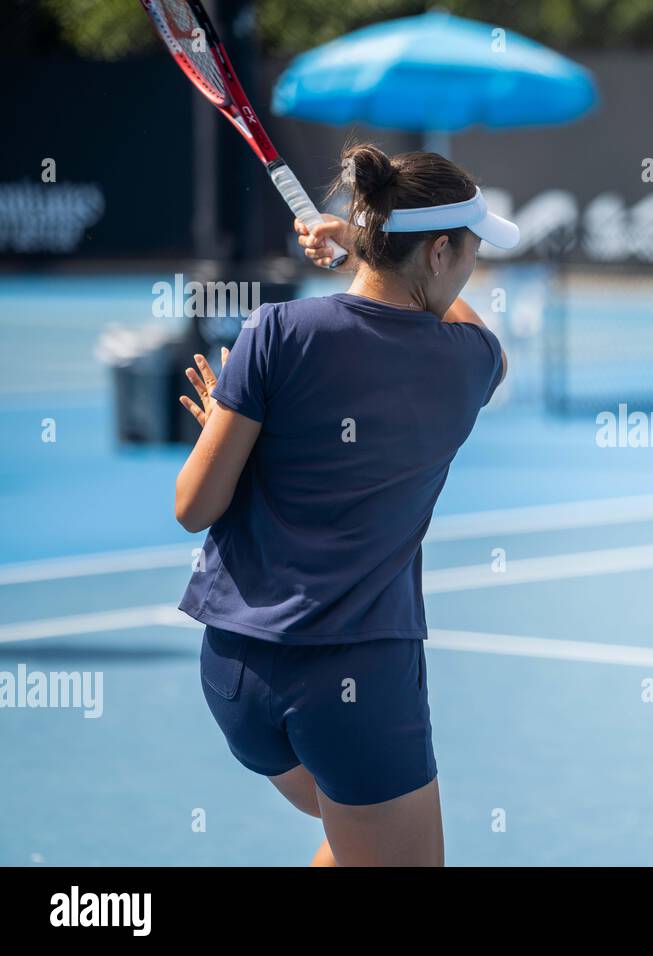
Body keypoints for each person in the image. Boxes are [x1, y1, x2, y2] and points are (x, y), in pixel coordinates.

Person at [174, 144, 519, 866]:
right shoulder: (470, 363)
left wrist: (230, 443)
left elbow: (195, 507)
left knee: (352, 841)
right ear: (440, 253)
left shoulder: (273, 333)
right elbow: (477, 332)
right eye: (470, 253)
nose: (472, 269)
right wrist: (359, 242)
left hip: (234, 677)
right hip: (352, 686)